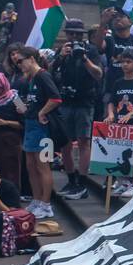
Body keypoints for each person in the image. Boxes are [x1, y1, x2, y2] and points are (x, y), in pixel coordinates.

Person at [53, 19, 103, 201]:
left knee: (83, 141)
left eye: (78, 34)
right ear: (66, 34)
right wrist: (61, 57)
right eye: (71, 33)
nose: (74, 37)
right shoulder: (62, 50)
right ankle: (71, 179)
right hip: (65, 102)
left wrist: (85, 59)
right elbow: (51, 73)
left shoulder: (90, 50)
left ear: (82, 35)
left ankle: (82, 183)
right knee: (64, 143)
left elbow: (98, 74)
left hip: (84, 102)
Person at [17, 45, 60, 220]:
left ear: (31, 59)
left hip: (43, 128)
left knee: (42, 166)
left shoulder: (43, 75)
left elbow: (56, 98)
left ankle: (46, 203)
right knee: (30, 165)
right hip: (31, 124)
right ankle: (36, 200)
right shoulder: (32, 78)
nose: (19, 64)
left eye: (21, 61)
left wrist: (42, 112)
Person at [104, 50, 133, 193]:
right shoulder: (118, 83)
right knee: (119, 152)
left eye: (128, 62)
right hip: (120, 125)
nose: (125, 64)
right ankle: (122, 182)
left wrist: (131, 113)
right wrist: (111, 114)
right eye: (123, 61)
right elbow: (111, 101)